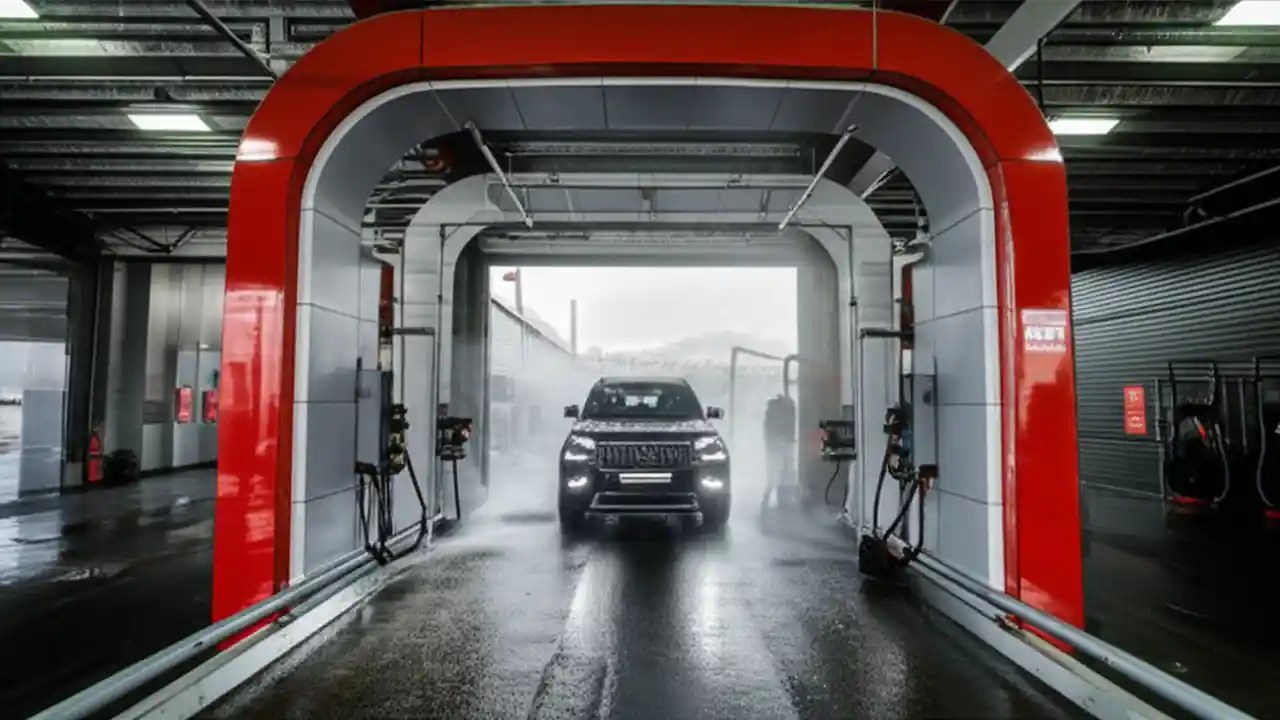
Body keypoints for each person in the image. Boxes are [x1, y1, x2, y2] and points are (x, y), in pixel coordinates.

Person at [762, 393, 797, 512]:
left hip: (775, 446)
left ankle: (770, 498)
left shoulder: (771, 411)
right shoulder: (787, 410)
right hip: (781, 445)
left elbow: (767, 431)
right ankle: (781, 500)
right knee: (783, 473)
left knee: (775, 475)